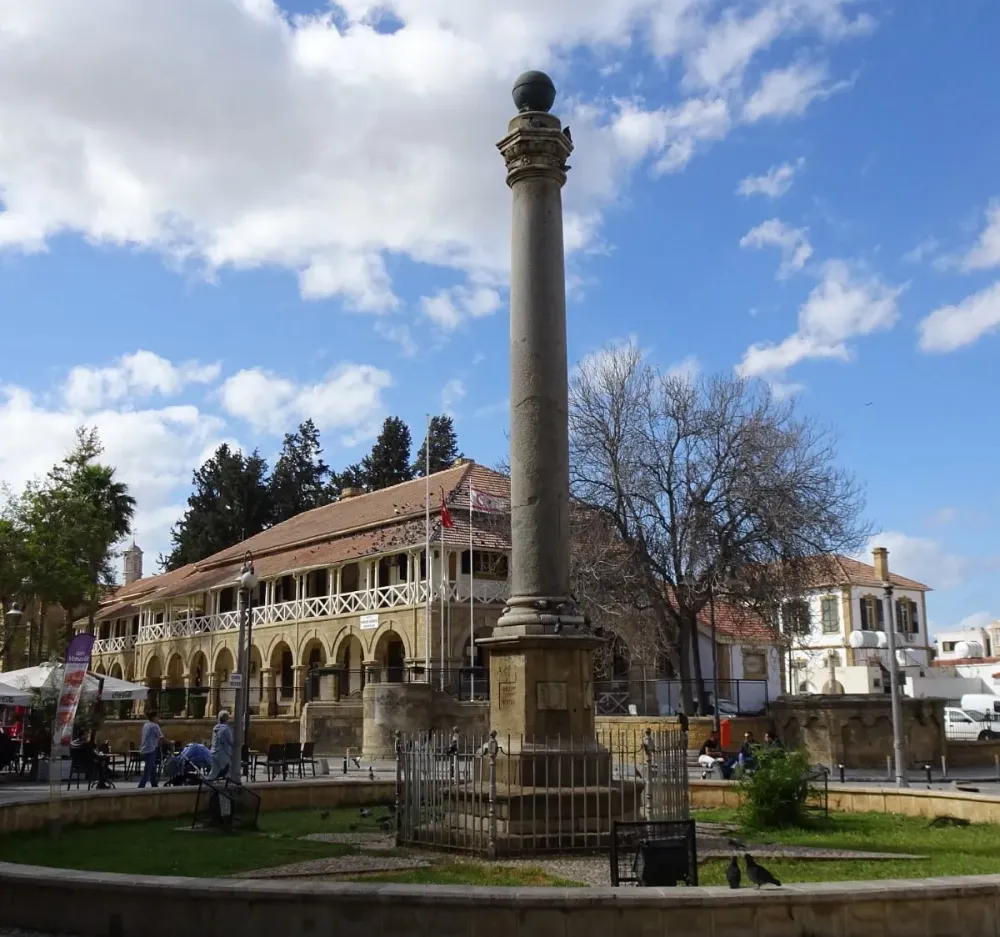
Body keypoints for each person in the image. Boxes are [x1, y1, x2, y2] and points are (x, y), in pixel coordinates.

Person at [137, 711, 167, 789]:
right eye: (157, 716)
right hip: (150, 750)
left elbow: (151, 737)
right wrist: (170, 742)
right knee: (147, 771)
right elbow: (161, 737)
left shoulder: (146, 725)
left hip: (143, 750)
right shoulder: (155, 726)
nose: (158, 718)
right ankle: (140, 787)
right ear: (154, 717)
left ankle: (154, 784)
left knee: (152, 768)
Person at [209, 710, 234, 780]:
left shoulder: (215, 728)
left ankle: (207, 787)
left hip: (214, 753)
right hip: (222, 754)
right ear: (227, 719)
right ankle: (227, 787)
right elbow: (231, 742)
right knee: (231, 770)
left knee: (213, 773)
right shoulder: (226, 729)